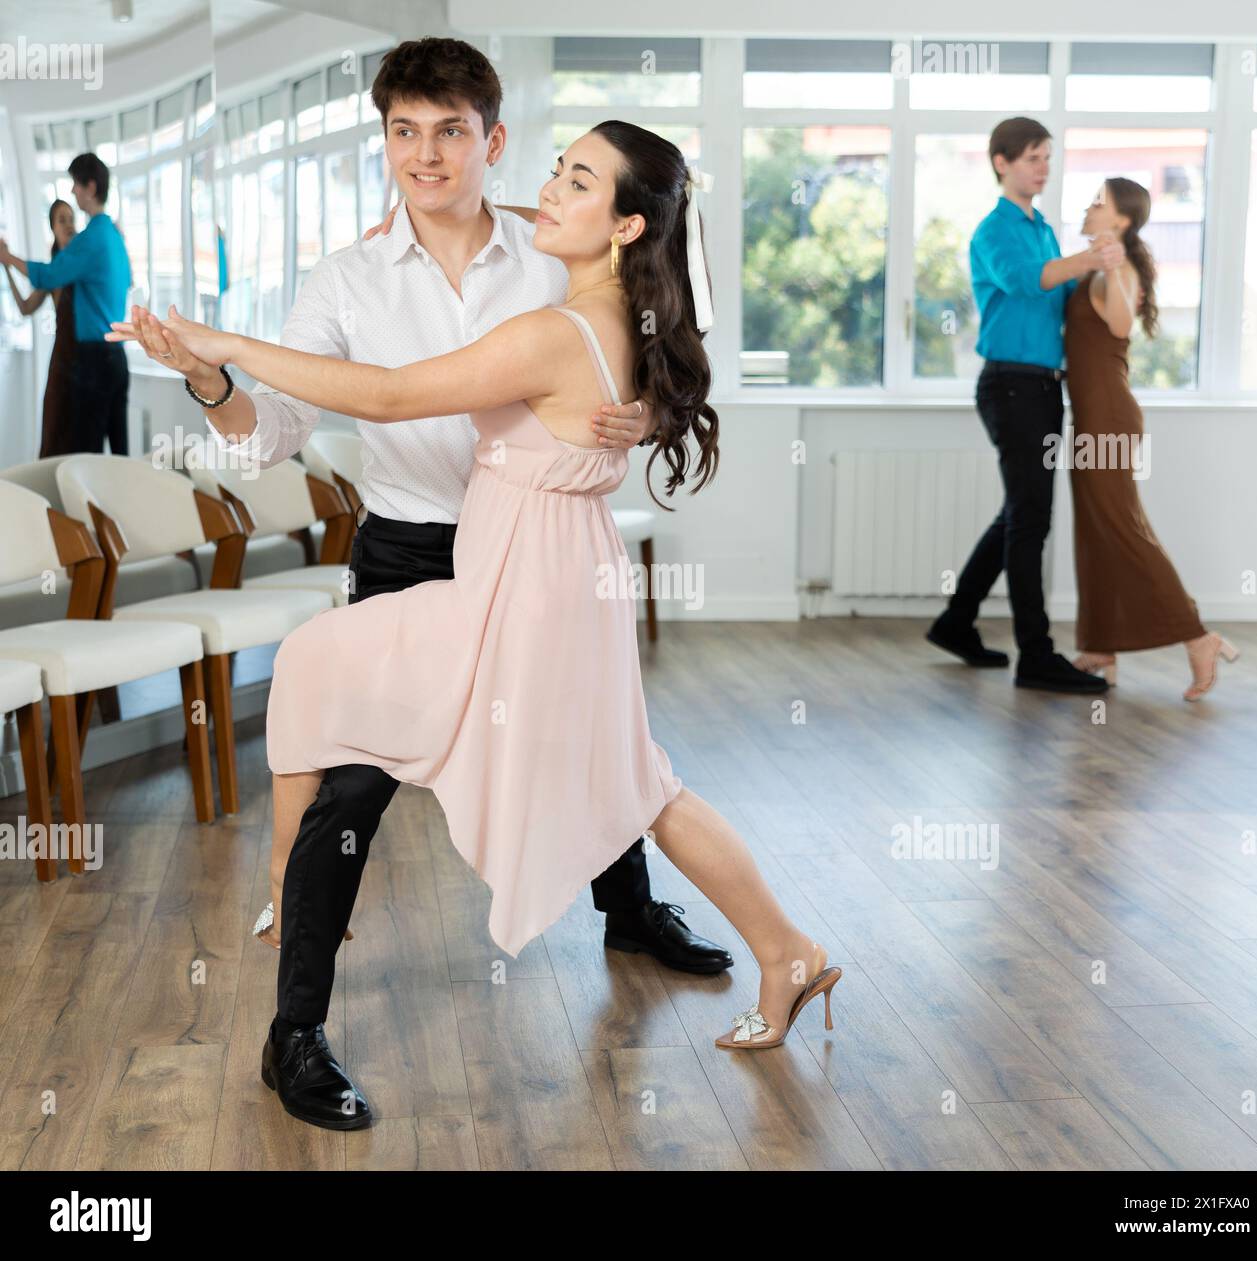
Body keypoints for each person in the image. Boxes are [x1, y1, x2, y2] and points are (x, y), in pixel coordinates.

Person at [112, 119, 842, 1129]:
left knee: (322, 662)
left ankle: (286, 888)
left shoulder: (552, 327)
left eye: (575, 180)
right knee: (638, 781)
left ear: (626, 224)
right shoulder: (622, 310)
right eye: (555, 170)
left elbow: (391, 394)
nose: (548, 189)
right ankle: (785, 949)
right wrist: (218, 375)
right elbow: (649, 290)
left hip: (520, 590)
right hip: (545, 571)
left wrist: (226, 341)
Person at [926, 117, 1122, 693]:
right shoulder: (995, 230)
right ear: (1002, 163)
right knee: (1030, 519)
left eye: (1047, 158)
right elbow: (1024, 281)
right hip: (1011, 386)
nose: (1043, 168)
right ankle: (1036, 655)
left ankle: (956, 622)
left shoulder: (1043, 230)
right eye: (1033, 158)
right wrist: (1089, 259)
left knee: (1019, 512)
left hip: (1041, 388)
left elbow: (1065, 294)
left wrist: (1112, 268)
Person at [1066, 178, 1238, 701]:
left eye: (1098, 201)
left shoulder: (1119, 269)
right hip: (1093, 418)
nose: (1088, 206)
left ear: (1120, 220)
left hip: (1108, 419)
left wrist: (1114, 265)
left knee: (1122, 530)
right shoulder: (1098, 266)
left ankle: (1198, 638)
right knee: (1096, 531)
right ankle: (1100, 647)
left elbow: (1119, 326)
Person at [0, 154, 131, 454]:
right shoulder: (113, 237)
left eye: (76, 185)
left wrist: (7, 258)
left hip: (93, 360)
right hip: (115, 358)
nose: (73, 191)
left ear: (90, 187)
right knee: (119, 453)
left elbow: (47, 275)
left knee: (86, 455)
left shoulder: (90, 240)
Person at [4, 199, 77, 456]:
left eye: (71, 219)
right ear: (53, 229)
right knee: (54, 433)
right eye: (62, 220)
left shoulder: (81, 266)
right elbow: (25, 307)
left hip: (86, 362)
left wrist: (8, 258)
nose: (69, 225)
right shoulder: (52, 274)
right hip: (63, 361)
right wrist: (6, 267)